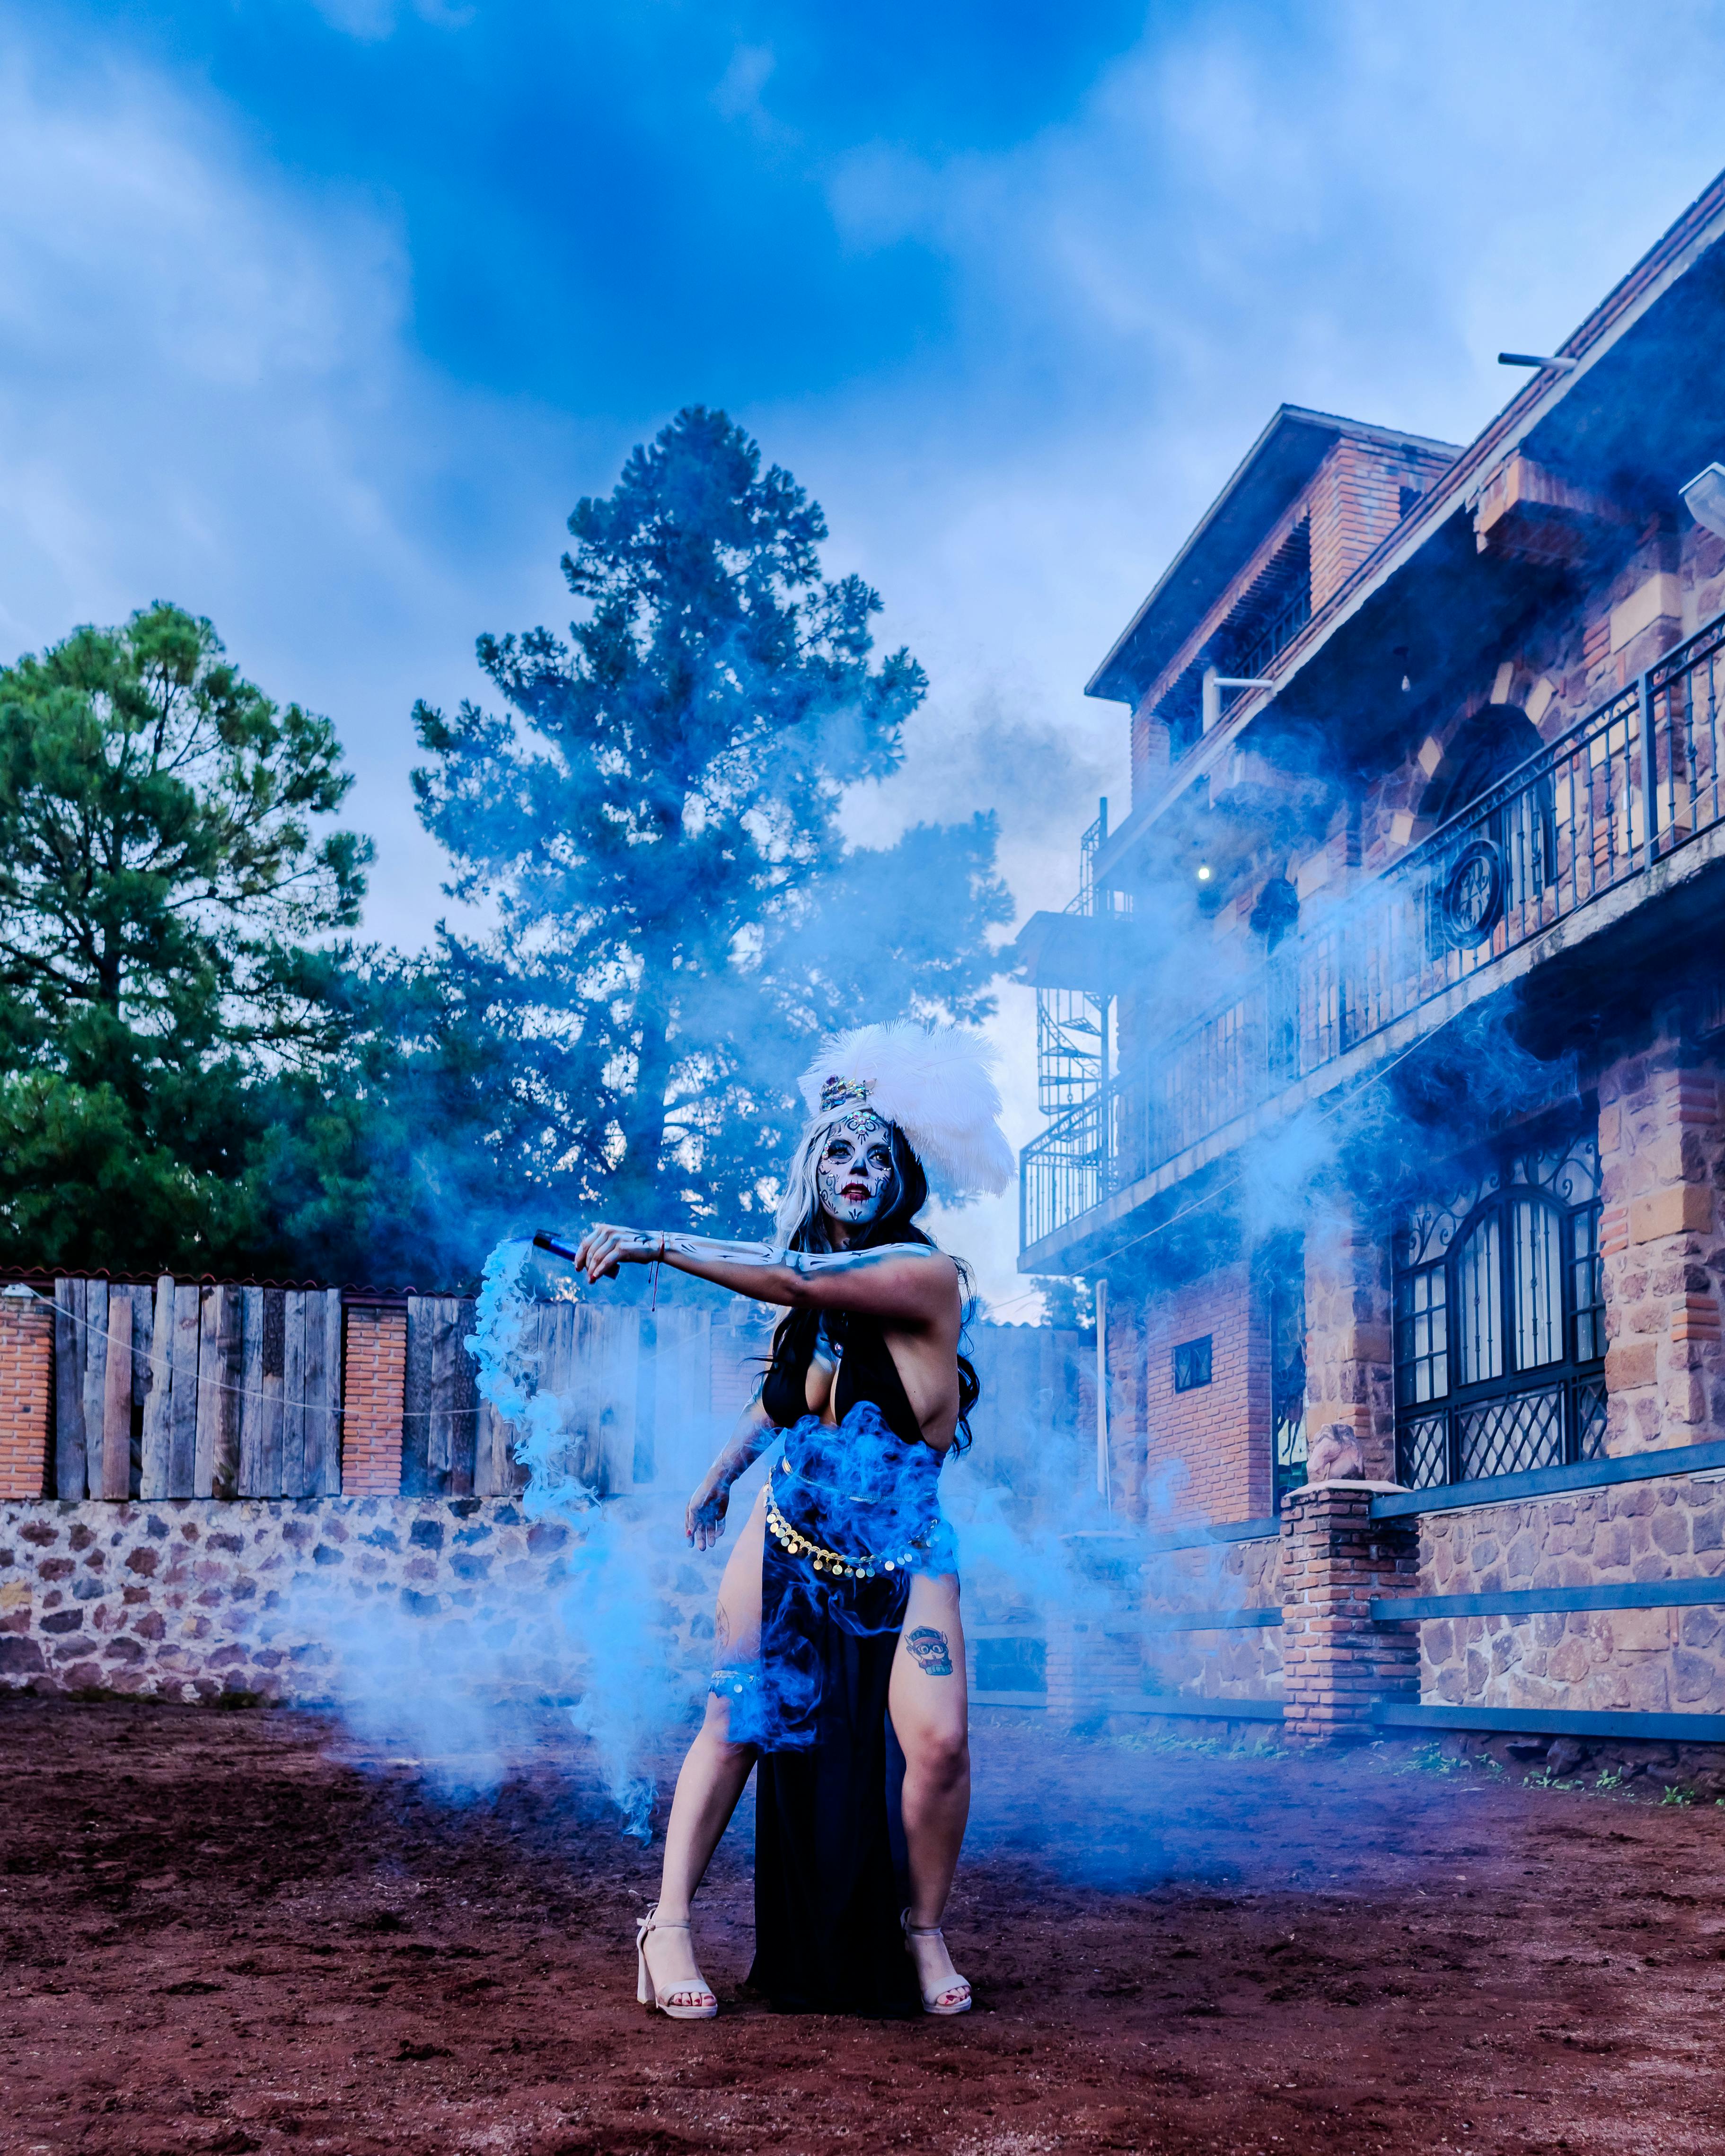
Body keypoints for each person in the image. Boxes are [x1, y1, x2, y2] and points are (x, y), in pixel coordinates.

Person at [564, 1022, 1012, 2019]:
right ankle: (667, 1924)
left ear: (901, 1181)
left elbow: (796, 1276)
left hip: (905, 1548)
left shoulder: (922, 1278)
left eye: (878, 1158)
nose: (858, 1169)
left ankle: (921, 1926)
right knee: (736, 1720)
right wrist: (718, 1477)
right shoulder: (809, 1309)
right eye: (840, 1153)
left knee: (937, 1743)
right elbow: (780, 1396)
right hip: (791, 1537)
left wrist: (654, 1241)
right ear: (816, 1170)